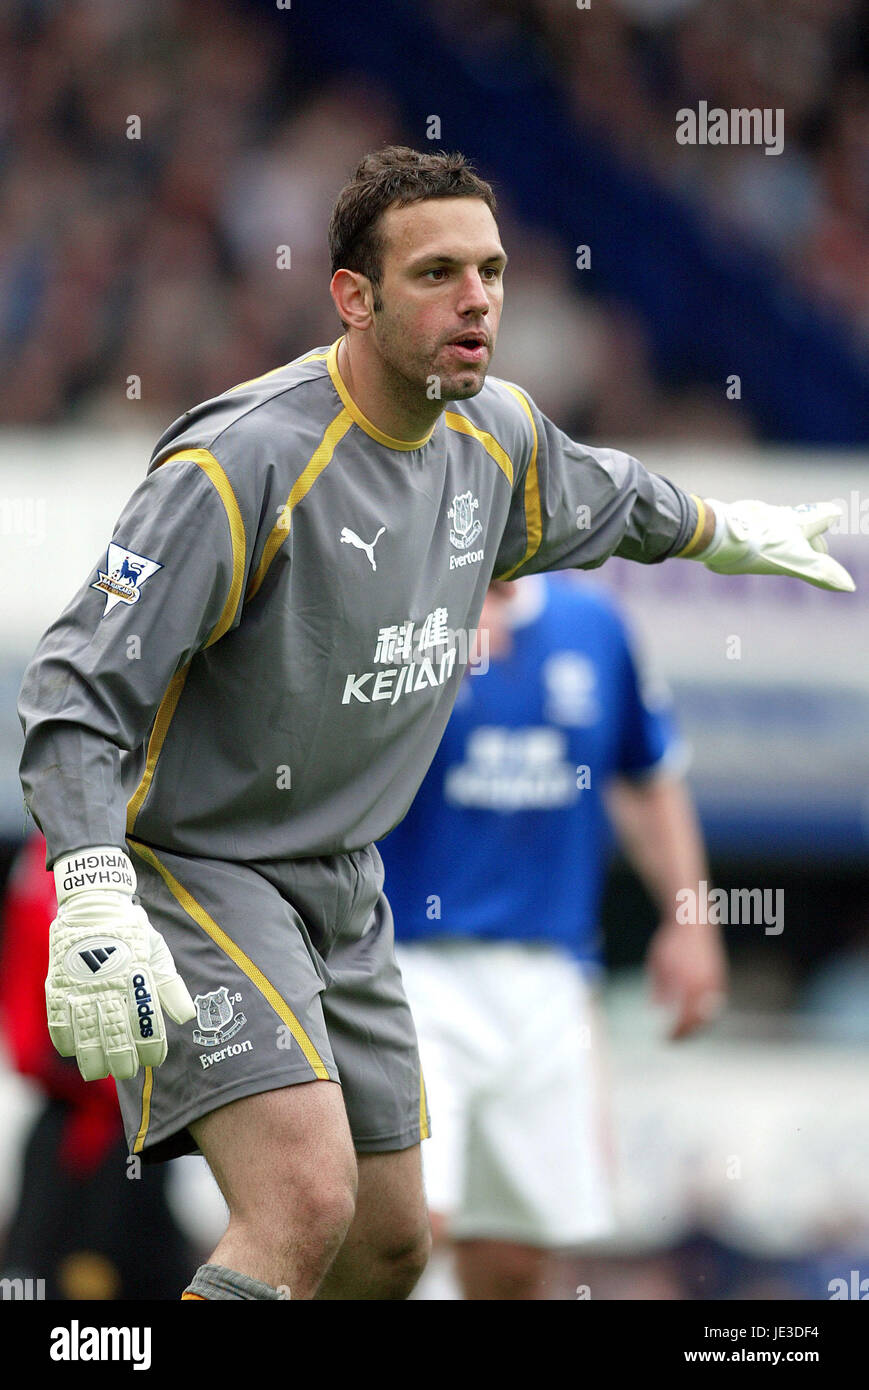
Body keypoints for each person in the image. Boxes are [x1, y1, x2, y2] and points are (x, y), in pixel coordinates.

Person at [16, 146, 853, 1302]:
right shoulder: (240, 459)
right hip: (202, 869)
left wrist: (724, 529)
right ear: (352, 296)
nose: (477, 300)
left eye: (494, 271)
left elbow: (609, 496)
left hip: (343, 886)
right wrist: (95, 887)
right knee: (301, 1201)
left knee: (391, 1245)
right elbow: (73, 687)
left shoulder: (494, 434)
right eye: (437, 273)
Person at [380, 574, 726, 1300]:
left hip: (550, 971)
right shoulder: (400, 604)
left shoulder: (591, 623)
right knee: (408, 1226)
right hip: (402, 963)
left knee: (515, 1254)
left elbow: (646, 775)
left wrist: (688, 921)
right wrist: (421, 656)